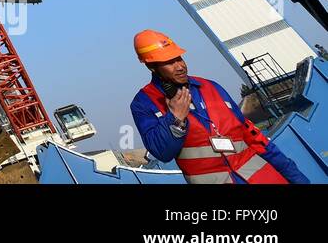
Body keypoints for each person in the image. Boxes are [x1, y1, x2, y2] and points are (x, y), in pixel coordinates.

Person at [129, 29, 308, 184]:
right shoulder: (143, 104)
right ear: (152, 67)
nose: (180, 66)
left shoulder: (211, 87)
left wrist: (296, 178)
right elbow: (162, 152)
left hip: (267, 179)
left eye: (179, 58)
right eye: (169, 62)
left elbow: (255, 139)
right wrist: (175, 120)